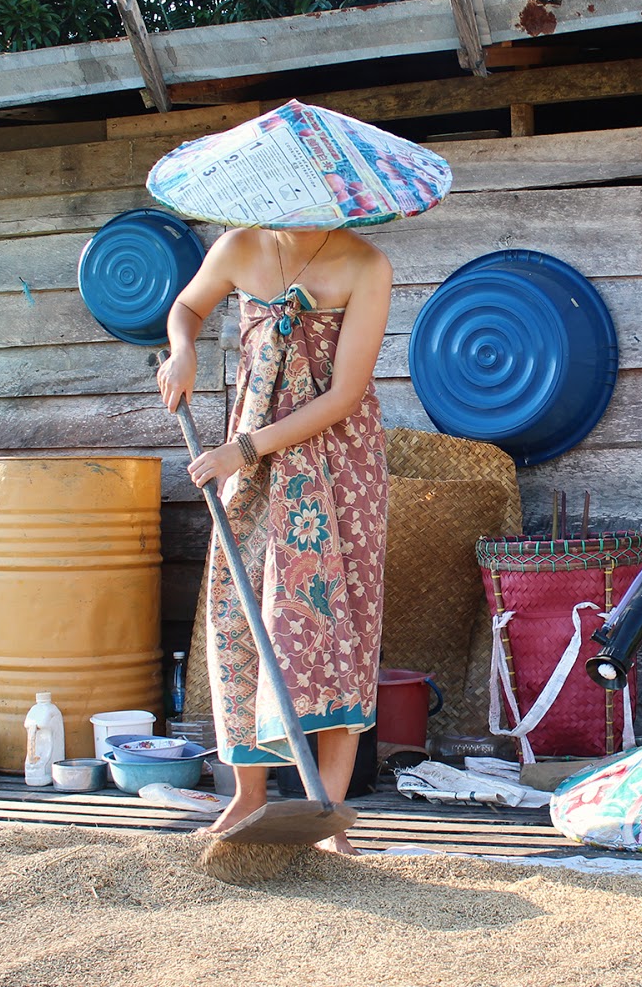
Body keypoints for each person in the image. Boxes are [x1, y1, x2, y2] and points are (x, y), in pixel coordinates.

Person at [156, 223, 392, 854]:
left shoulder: (367, 265)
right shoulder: (239, 246)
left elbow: (344, 395)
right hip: (252, 466)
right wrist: (184, 348)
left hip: (337, 468)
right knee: (240, 613)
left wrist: (242, 449)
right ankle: (249, 794)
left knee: (336, 624)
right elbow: (187, 306)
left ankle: (328, 814)